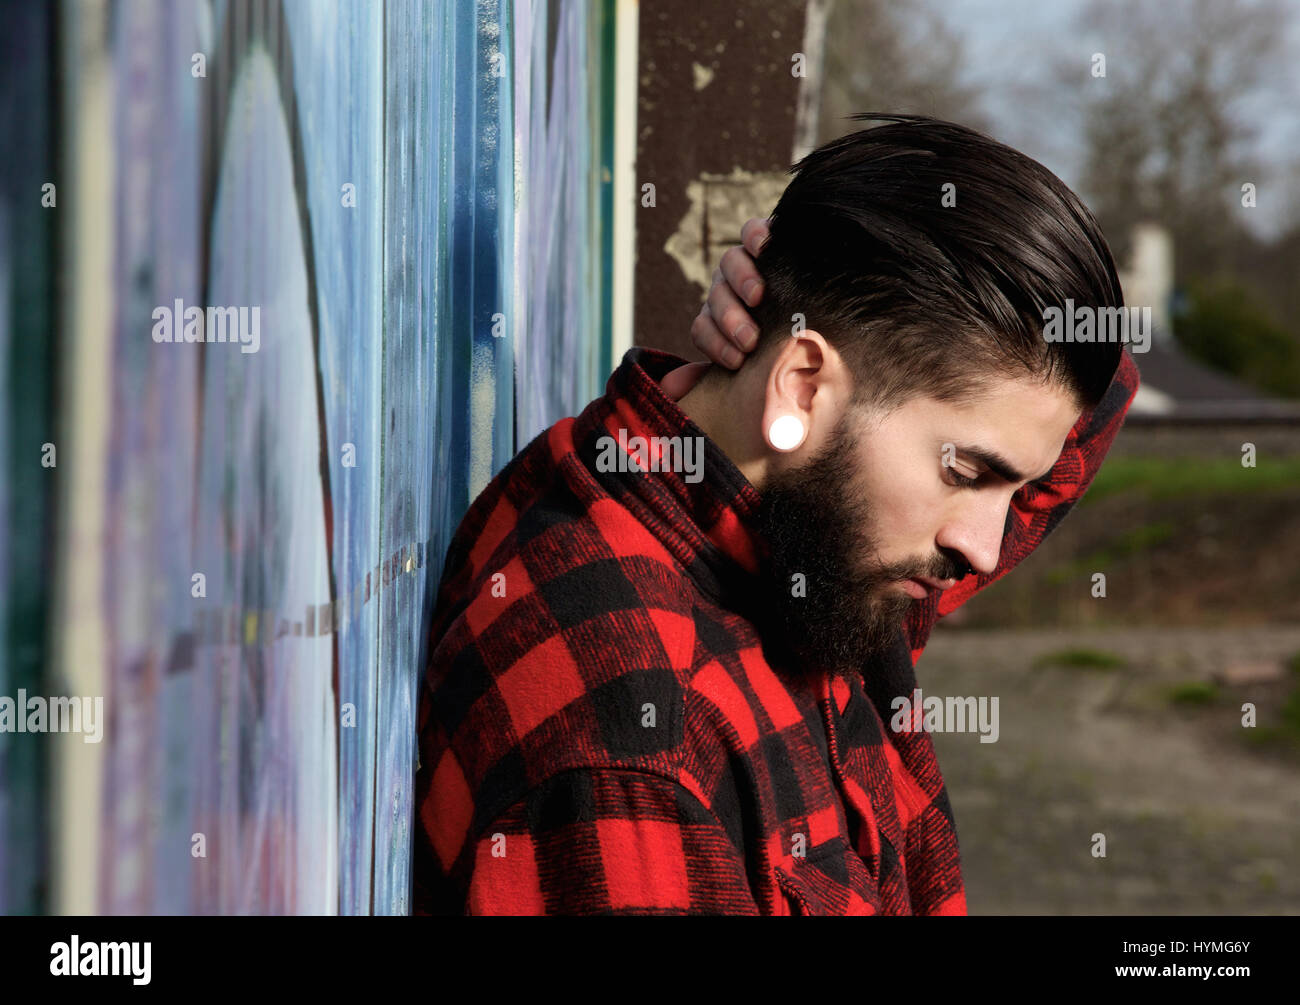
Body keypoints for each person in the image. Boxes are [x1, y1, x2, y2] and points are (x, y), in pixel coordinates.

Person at [413, 113, 1140, 915]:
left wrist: (798, 273)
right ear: (801, 387)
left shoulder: (808, 545)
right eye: (967, 471)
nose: (985, 548)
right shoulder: (634, 755)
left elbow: (1078, 401)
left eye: (1012, 485)